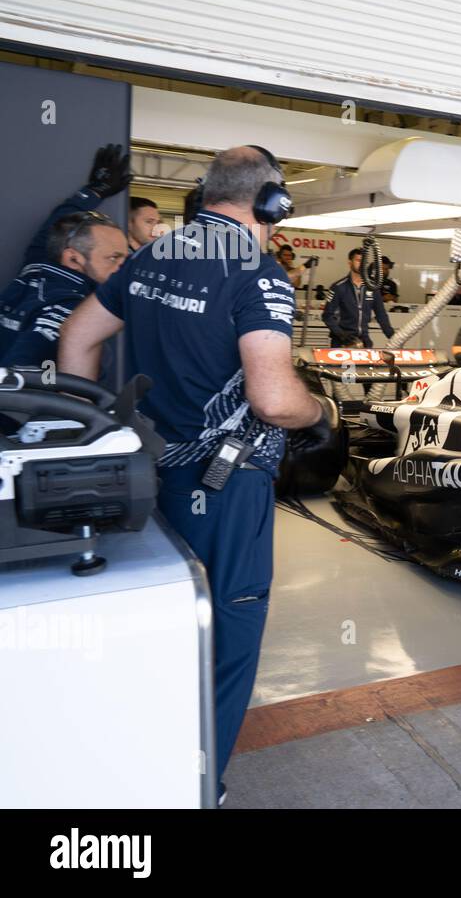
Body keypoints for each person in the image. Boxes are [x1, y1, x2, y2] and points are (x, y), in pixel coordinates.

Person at [57, 145, 331, 799]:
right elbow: (272, 399)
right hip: (229, 484)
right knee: (228, 634)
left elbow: (75, 340)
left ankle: (145, 759)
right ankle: (198, 787)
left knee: (172, 621)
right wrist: (318, 410)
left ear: (204, 194)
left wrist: (86, 445)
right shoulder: (258, 274)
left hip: (155, 474)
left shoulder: (153, 254)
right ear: (273, 205)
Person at [0, 144, 131, 367]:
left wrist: (94, 191)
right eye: (113, 258)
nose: (122, 268)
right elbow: (18, 378)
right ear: (73, 259)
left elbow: (52, 229)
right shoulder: (69, 308)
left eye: (125, 259)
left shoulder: (37, 267)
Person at [323, 247, 394, 347]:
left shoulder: (372, 287)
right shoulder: (339, 287)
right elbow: (327, 316)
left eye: (364, 261)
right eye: (358, 260)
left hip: (363, 340)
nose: (361, 264)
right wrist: (341, 334)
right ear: (350, 262)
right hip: (342, 341)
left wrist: (393, 337)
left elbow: (381, 314)